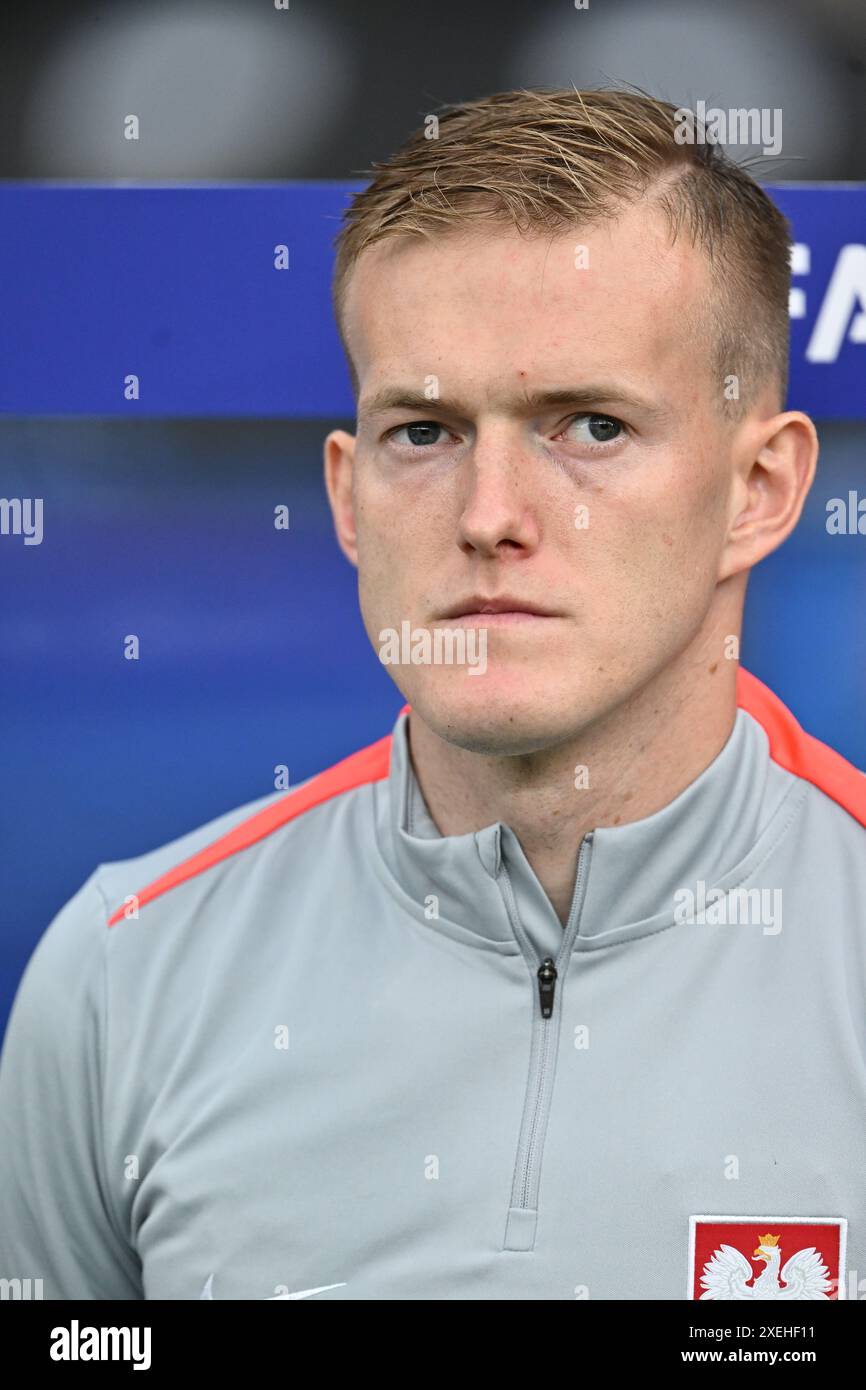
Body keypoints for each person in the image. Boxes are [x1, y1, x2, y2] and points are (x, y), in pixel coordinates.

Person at [1, 88, 864, 1302]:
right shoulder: (120, 974)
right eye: (423, 432)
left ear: (757, 491)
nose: (488, 515)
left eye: (589, 425)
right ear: (346, 497)